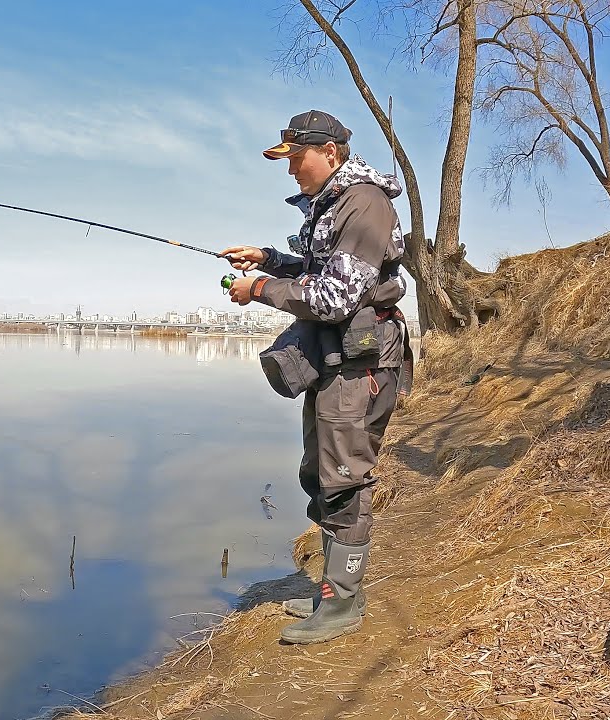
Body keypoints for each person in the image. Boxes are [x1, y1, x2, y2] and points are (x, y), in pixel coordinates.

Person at [221, 109, 408, 645]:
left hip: (361, 366)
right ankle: (333, 588)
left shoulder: (365, 203)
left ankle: (344, 604)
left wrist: (258, 289)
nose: (290, 170)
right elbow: (315, 266)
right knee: (320, 473)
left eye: (295, 157)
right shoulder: (335, 204)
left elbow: (333, 296)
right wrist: (269, 259)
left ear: (329, 151)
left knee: (344, 480)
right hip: (336, 364)